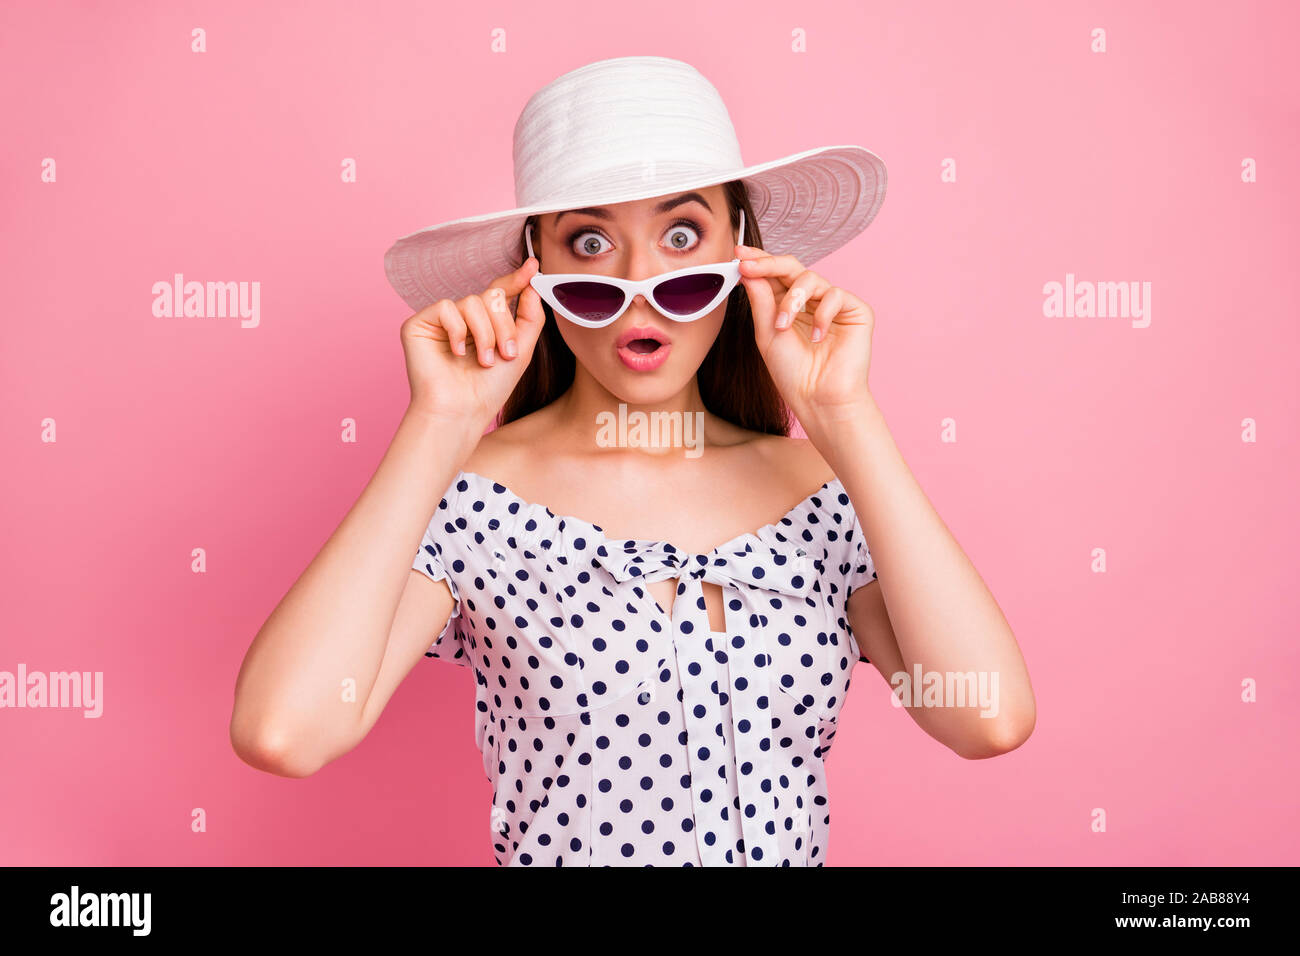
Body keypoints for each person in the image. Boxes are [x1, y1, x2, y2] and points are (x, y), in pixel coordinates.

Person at [230, 56, 1035, 866]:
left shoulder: (820, 494)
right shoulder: (472, 500)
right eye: (590, 240)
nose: (638, 283)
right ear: (536, 268)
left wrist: (845, 417)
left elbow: (988, 719)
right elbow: (283, 732)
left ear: (741, 250)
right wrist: (439, 424)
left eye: (681, 234)